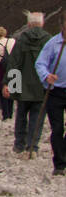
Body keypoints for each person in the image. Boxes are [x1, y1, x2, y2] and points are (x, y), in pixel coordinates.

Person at [4, 13, 49, 159]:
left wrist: (10, 85)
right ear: (42, 24)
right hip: (42, 85)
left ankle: (19, 145)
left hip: (22, 85)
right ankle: (32, 147)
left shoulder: (21, 39)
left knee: (21, 115)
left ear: (29, 24)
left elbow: (14, 64)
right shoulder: (48, 39)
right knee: (38, 116)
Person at [34, 19, 66, 176]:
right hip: (55, 91)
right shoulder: (53, 44)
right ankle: (59, 164)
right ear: (62, 27)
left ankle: (63, 153)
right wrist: (47, 76)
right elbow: (40, 63)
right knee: (57, 128)